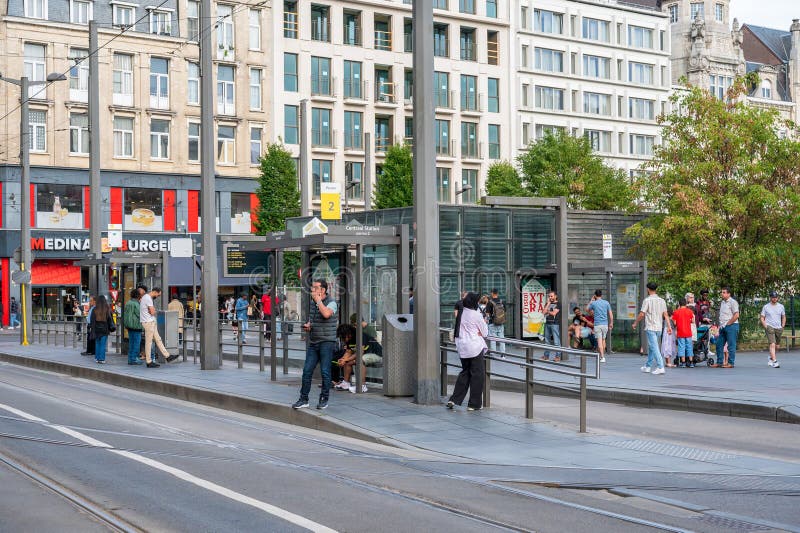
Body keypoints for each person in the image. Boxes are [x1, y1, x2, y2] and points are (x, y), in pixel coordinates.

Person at [292, 279, 338, 410]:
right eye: (312, 288)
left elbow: (326, 314)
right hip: (314, 341)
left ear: (322, 290)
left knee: (325, 372)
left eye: (315, 288)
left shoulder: (332, 303)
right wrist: (309, 325)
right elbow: (314, 319)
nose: (312, 290)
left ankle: (324, 399)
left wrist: (318, 301)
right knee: (307, 371)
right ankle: (303, 399)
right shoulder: (313, 303)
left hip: (327, 342)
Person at [446, 292, 487, 411]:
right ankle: (474, 404)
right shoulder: (476, 315)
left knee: (465, 372)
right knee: (477, 375)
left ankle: (454, 399)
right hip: (474, 347)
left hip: (462, 347)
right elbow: (485, 333)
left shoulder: (461, 313)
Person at [632, 282, 671, 375]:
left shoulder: (647, 300)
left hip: (651, 327)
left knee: (654, 347)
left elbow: (642, 314)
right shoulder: (662, 300)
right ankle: (648, 366)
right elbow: (665, 314)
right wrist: (669, 326)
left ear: (648, 289)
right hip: (659, 328)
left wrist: (635, 323)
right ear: (656, 289)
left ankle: (660, 367)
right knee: (652, 347)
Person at [333, 324, 382, 392]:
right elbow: (348, 352)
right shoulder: (349, 339)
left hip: (377, 355)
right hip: (365, 356)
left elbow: (360, 352)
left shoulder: (359, 335)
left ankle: (362, 386)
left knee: (360, 360)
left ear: (349, 333)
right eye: (343, 338)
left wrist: (346, 359)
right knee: (347, 362)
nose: (345, 339)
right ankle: (346, 383)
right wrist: (343, 359)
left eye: (345, 337)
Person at [141, 287, 178, 367]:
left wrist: (153, 310)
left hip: (150, 322)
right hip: (149, 322)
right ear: (155, 292)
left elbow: (152, 311)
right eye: (158, 294)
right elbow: (152, 311)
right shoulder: (148, 298)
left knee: (158, 340)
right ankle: (149, 361)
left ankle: (167, 356)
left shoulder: (146, 297)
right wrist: (153, 310)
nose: (157, 296)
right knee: (149, 342)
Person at [712, 287, 739, 368]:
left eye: (724, 292)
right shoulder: (723, 302)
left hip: (731, 325)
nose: (722, 294)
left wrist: (728, 324)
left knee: (731, 345)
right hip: (722, 326)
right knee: (719, 344)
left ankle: (731, 363)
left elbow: (736, 315)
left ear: (728, 294)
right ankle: (720, 362)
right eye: (722, 292)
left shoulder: (733, 302)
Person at [760, 291, 785, 369]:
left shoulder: (781, 306)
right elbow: (762, 317)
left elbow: (783, 316)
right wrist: (766, 326)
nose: (774, 299)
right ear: (770, 298)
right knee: (772, 344)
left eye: (775, 297)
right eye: (773, 297)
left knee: (777, 346)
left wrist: (783, 326)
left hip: (778, 327)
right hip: (769, 327)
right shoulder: (766, 307)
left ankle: (771, 358)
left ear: (777, 298)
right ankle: (774, 361)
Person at [587, 289, 613, 362]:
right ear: (601, 295)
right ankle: (602, 354)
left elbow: (587, 309)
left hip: (597, 325)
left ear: (595, 295)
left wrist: (591, 301)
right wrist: (611, 323)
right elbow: (610, 314)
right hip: (605, 325)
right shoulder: (606, 303)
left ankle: (602, 357)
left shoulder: (594, 303)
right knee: (603, 340)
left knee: (599, 342)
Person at [90, 295, 116, 364]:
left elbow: (92, 321)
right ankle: (102, 359)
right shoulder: (107, 309)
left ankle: (97, 358)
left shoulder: (94, 309)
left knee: (97, 343)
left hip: (96, 329)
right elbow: (110, 320)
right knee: (103, 344)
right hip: (105, 328)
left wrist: (92, 330)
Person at [672, 298, 696, 368]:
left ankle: (683, 362)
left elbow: (674, 323)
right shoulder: (689, 311)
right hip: (688, 332)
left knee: (681, 347)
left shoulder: (676, 312)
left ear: (679, 304)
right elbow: (693, 321)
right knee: (689, 347)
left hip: (680, 332)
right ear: (686, 304)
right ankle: (691, 362)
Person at [124, 289, 143, 365]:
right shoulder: (136, 304)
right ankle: (134, 359)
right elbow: (139, 314)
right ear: (138, 296)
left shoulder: (128, 303)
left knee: (131, 343)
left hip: (129, 326)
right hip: (136, 326)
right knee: (136, 343)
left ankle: (130, 358)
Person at [485, 288, 506, 356]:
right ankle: (503, 354)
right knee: (501, 338)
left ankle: (493, 353)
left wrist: (487, 320)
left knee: (493, 339)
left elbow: (487, 313)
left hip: (492, 322)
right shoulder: (502, 301)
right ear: (497, 293)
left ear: (492, 293)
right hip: (501, 322)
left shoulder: (490, 302)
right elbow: (504, 311)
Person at [541, 290, 562, 361]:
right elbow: (543, 312)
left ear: (555, 296)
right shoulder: (548, 303)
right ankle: (546, 356)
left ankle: (558, 356)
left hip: (554, 324)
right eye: (549, 296)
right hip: (547, 323)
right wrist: (548, 304)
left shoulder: (558, 304)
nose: (550, 297)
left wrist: (548, 311)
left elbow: (554, 313)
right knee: (547, 341)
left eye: (551, 296)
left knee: (556, 341)